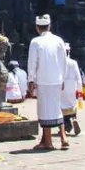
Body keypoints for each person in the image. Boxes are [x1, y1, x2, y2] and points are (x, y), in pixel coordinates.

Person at [27, 14, 68, 150]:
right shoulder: (59, 40)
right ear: (49, 26)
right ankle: (63, 137)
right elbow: (64, 62)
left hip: (43, 80)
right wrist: (63, 78)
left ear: (38, 28)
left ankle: (48, 142)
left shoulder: (35, 42)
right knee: (56, 107)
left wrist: (30, 80)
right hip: (57, 79)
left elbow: (32, 63)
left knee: (44, 110)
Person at [61, 43, 82, 135]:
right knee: (72, 105)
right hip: (71, 87)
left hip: (61, 87)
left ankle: (66, 126)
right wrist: (80, 92)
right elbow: (78, 78)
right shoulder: (73, 63)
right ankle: (74, 119)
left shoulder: (58, 63)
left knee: (62, 107)